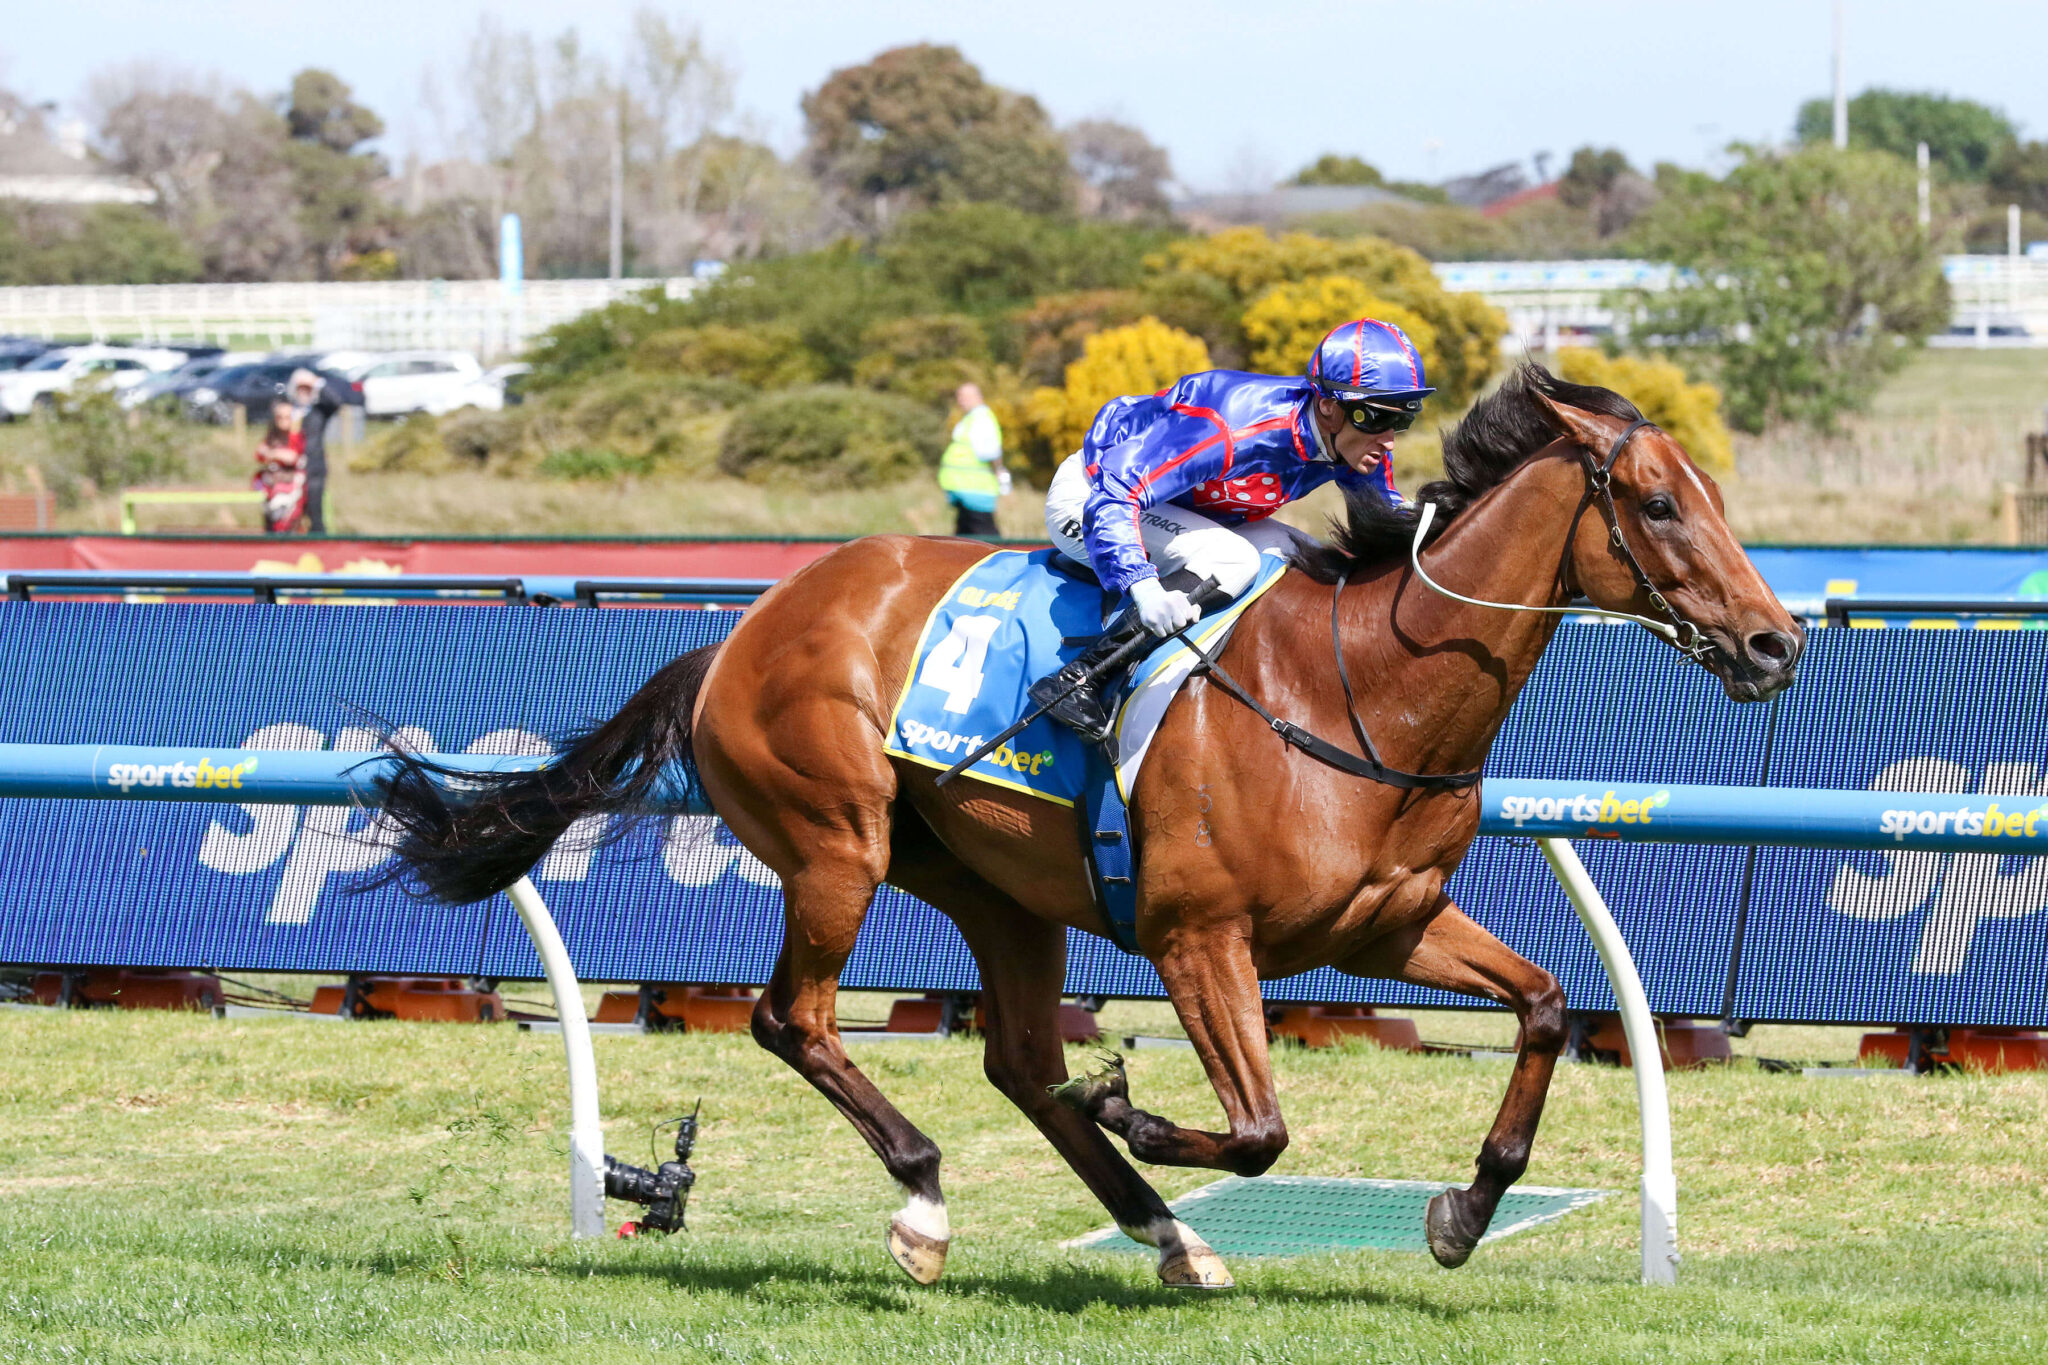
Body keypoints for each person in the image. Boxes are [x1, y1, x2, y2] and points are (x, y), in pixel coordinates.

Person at [1029, 318, 1431, 740]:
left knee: (1309, 558)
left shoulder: (1358, 440)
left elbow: (1384, 518)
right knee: (1232, 558)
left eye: (1401, 421)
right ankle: (1082, 678)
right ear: (1329, 407)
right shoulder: (1231, 429)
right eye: (1375, 418)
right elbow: (1117, 496)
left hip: (1177, 509)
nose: (1388, 440)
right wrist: (1143, 586)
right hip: (1096, 495)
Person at [937, 381, 1008, 537]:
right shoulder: (971, 418)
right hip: (966, 489)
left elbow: (990, 453)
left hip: (975, 490)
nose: (960, 401)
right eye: (959, 397)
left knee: (986, 538)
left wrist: (999, 473)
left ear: (977, 396)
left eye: (964, 396)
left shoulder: (982, 419)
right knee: (964, 538)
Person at [286, 367, 347, 535]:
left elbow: (336, 402)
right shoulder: (287, 411)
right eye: (301, 388)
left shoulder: (318, 411)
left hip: (313, 467)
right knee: (288, 511)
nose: (304, 392)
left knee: (314, 509)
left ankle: (318, 541)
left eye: (307, 389)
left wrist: (316, 382)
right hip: (289, 469)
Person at [251, 398, 309, 534]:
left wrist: (273, 453)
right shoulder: (272, 436)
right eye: (279, 417)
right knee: (271, 522)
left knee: (288, 522)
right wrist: (277, 454)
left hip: (291, 486)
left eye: (287, 417)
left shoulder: (297, 436)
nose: (283, 420)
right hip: (271, 486)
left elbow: (292, 457)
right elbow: (259, 454)